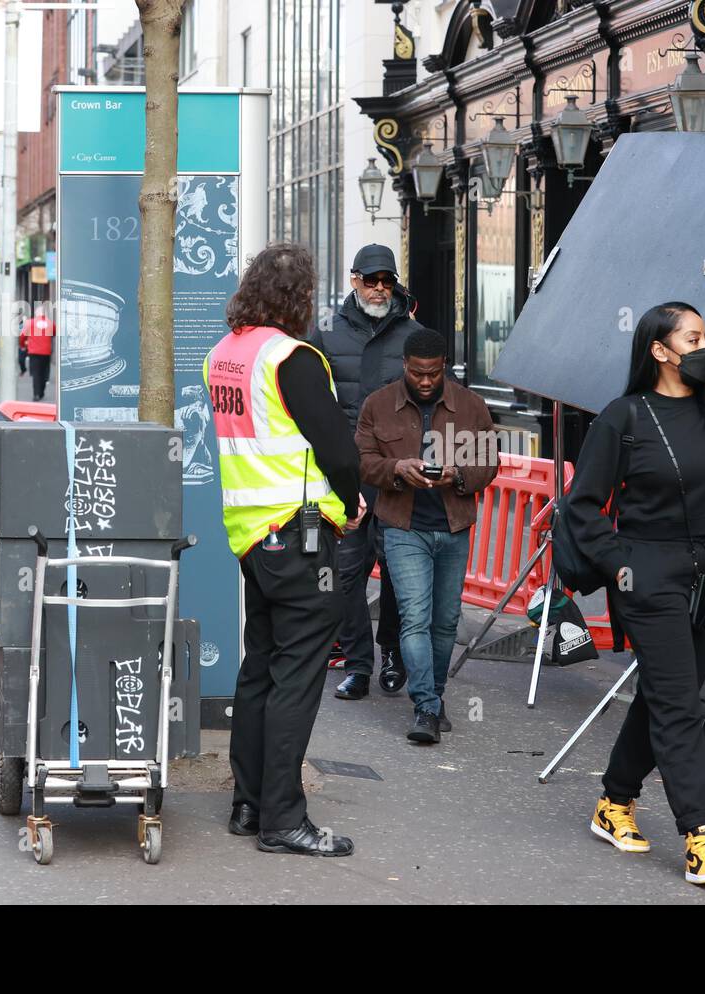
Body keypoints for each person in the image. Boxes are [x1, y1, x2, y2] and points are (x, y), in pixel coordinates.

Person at [564, 301, 705, 887]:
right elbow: (583, 507)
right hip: (650, 576)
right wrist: (624, 562)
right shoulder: (623, 417)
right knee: (677, 702)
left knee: (664, 693)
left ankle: (614, 802)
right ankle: (700, 835)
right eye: (693, 337)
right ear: (659, 349)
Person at [205, 242, 363, 857]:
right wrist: (350, 506)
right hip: (300, 538)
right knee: (297, 679)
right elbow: (340, 451)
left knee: (259, 671)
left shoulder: (224, 356)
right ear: (297, 299)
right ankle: (284, 820)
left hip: (251, 536)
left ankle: (249, 805)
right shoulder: (292, 358)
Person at [356, 329, 499, 743]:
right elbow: (363, 460)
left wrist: (458, 476)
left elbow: (489, 462)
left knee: (445, 622)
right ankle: (424, 706)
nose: (424, 381)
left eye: (433, 374)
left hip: (453, 528)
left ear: (444, 369)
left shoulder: (471, 407)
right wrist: (397, 469)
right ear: (405, 365)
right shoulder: (378, 405)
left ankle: (434, 698)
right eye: (417, 373)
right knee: (415, 618)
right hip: (403, 528)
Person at [311, 244, 423, 702]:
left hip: (401, 476)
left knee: (398, 572)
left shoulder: (416, 335)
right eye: (372, 279)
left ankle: (392, 654)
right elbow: (311, 402)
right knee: (345, 573)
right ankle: (357, 665)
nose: (380, 289)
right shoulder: (323, 333)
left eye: (387, 281)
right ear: (354, 279)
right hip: (347, 474)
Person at [21, 303, 53, 402]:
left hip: (34, 352)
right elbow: (54, 332)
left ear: (36, 313)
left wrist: (23, 345)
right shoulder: (50, 323)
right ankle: (42, 392)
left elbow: (22, 335)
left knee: (36, 374)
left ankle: (36, 394)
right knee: (44, 373)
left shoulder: (30, 323)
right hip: (46, 352)